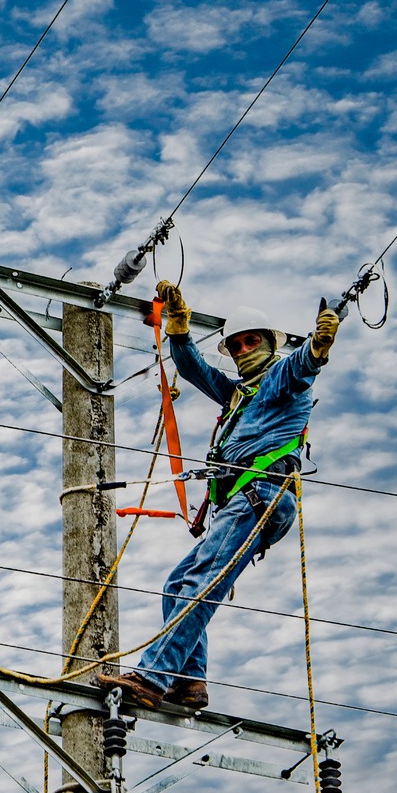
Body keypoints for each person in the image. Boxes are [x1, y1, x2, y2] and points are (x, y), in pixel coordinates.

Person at [95, 283, 341, 713]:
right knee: (177, 584)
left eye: (251, 341)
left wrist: (318, 346)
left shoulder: (281, 378)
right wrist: (179, 328)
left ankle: (152, 677)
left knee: (200, 583)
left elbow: (303, 365)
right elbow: (195, 370)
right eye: (236, 344)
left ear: (269, 344)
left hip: (260, 494)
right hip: (244, 501)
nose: (243, 349)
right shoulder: (238, 395)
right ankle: (190, 681)